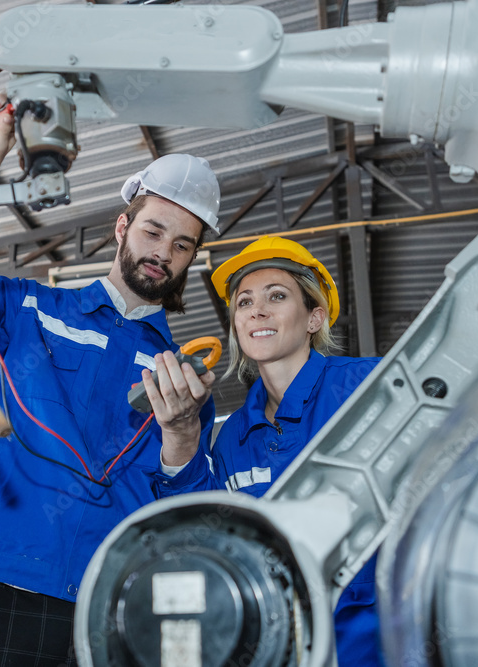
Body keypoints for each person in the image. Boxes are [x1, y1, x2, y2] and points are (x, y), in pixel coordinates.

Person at [0, 92, 219, 666]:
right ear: (122, 226)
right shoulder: (27, 312)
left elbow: (185, 517)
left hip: (110, 611)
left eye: (182, 245)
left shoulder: (182, 383)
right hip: (0, 592)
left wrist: (182, 438)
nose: (164, 253)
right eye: (154, 232)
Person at [162, 235, 384, 666]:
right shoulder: (232, 438)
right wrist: (180, 435)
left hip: (375, 641)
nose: (256, 310)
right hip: (280, 643)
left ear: (314, 317)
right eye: (243, 302)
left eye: (276, 296)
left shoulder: (365, 387)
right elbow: (208, 536)